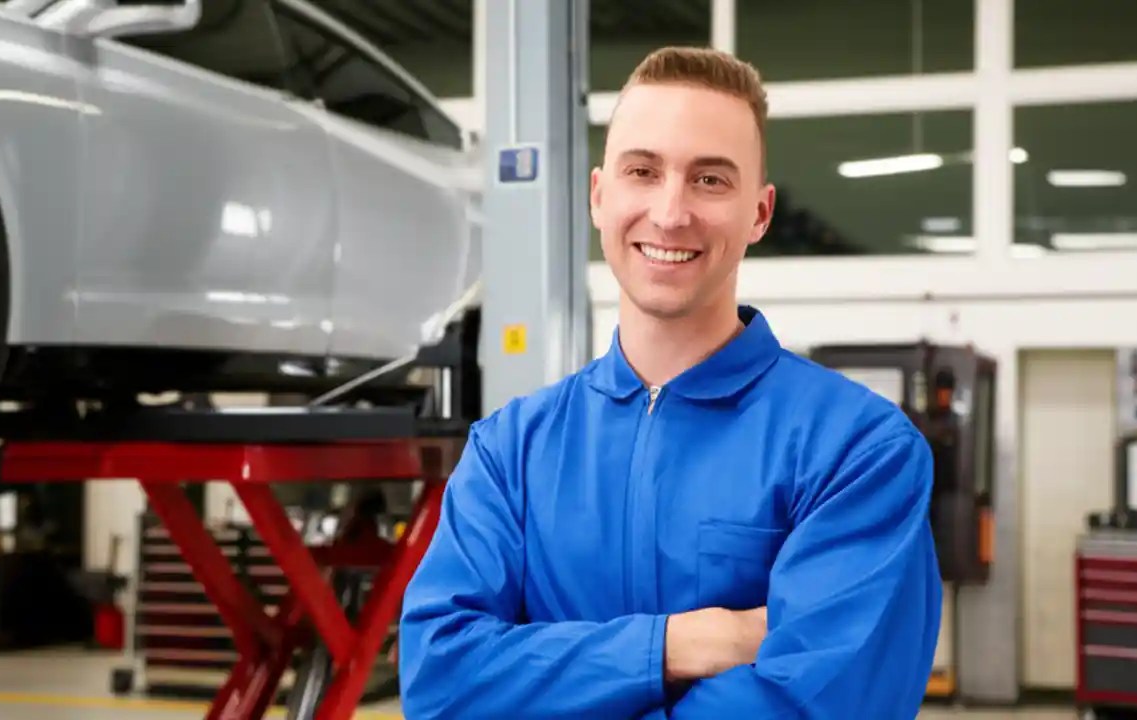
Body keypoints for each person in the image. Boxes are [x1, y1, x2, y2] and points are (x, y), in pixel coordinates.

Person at [397, 46, 942, 719]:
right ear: (599, 196)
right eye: (642, 171)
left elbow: (820, 704)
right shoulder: (511, 451)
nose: (670, 211)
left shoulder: (857, 452)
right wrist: (673, 646)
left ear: (760, 214)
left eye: (709, 180)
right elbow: (440, 682)